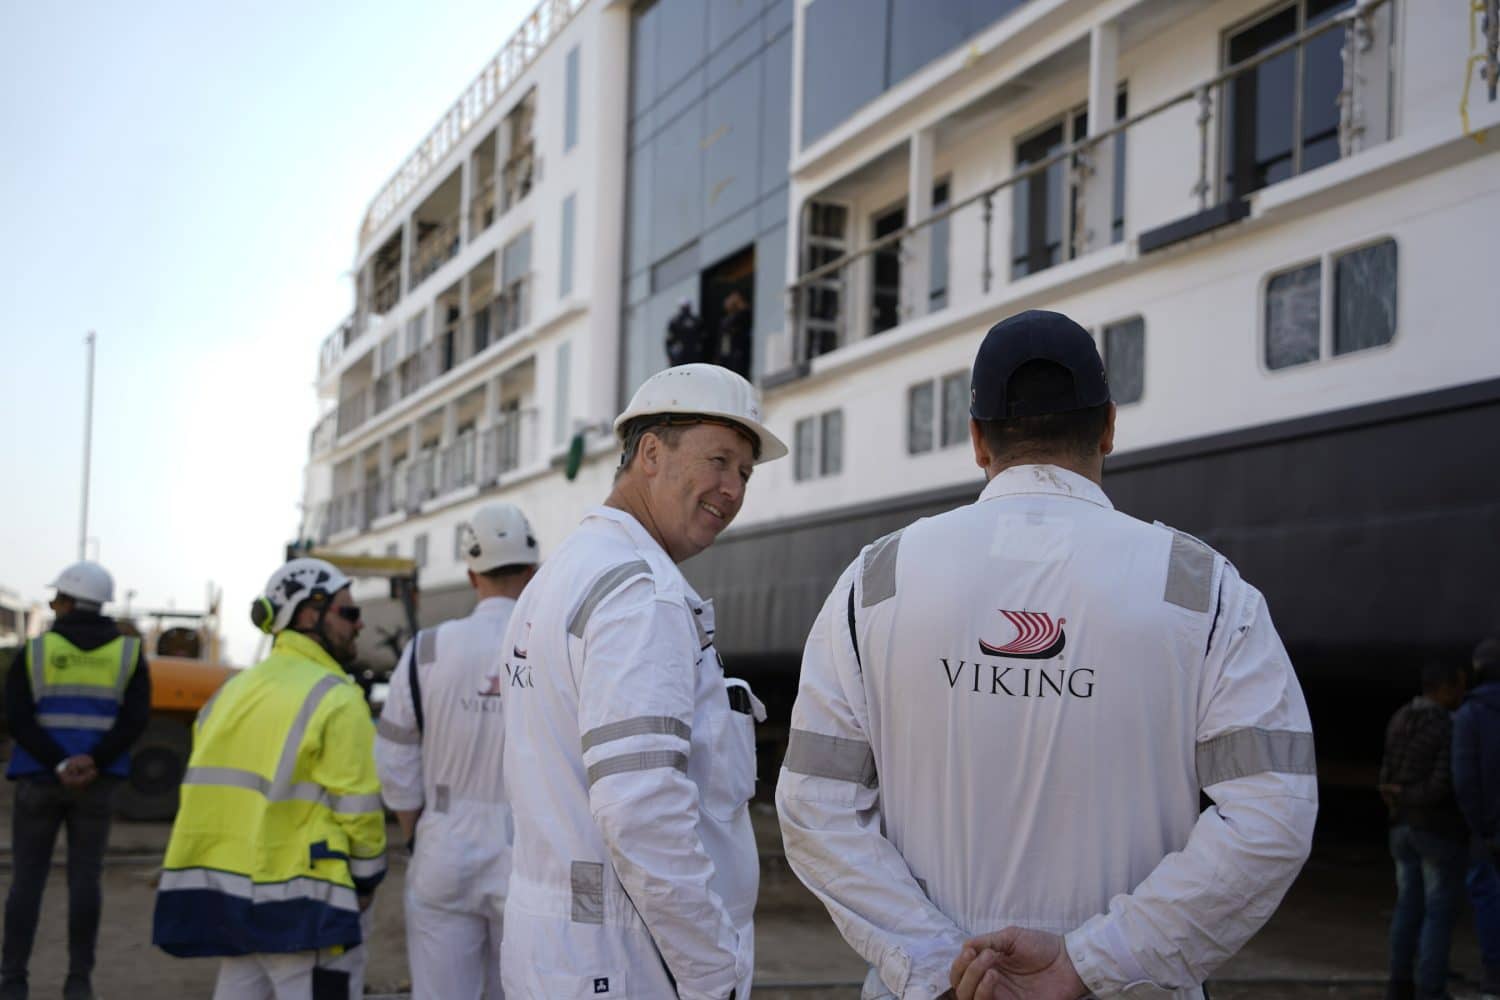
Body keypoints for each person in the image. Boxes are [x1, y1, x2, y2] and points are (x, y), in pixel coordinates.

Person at [776, 309, 1319, 1000]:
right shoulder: (1200, 588)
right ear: (1110, 427)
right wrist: (1091, 963)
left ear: (977, 440)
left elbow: (813, 805)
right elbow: (1274, 816)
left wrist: (941, 965)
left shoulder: (876, 581)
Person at [498, 363, 786, 998]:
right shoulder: (641, 595)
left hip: (560, 945)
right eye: (719, 460)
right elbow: (641, 810)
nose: (733, 489)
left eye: (744, 472)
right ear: (651, 452)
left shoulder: (560, 576)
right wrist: (713, 974)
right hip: (629, 960)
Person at [152, 558, 387, 999]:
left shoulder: (230, 692)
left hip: (234, 902)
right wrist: (368, 879)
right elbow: (359, 810)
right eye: (348, 612)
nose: (359, 625)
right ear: (306, 615)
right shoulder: (336, 696)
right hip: (311, 909)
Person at [375, 502, 540, 999]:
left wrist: (419, 833)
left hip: (444, 844)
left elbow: (395, 762)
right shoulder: (556, 646)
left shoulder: (426, 649)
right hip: (529, 852)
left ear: (472, 575)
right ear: (532, 572)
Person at [2, 561, 150, 1000]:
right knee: (85, 881)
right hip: (97, 784)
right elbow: (135, 720)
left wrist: (59, 763)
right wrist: (93, 762)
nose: (52, 605)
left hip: (38, 779)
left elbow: (18, 718)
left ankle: (12, 983)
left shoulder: (35, 651)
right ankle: (78, 983)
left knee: (26, 881)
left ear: (67, 602)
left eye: (55, 599)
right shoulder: (129, 654)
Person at [1378, 660, 1470, 1000]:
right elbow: (1443, 784)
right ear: (1444, 687)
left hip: (1400, 827)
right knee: (1437, 914)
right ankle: (1431, 989)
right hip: (1435, 830)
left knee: (1407, 907)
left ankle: (1398, 984)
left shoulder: (1401, 717)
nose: (1463, 693)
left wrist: (1399, 797)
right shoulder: (1447, 724)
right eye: (1459, 685)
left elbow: (1386, 776)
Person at [1454, 638, 1500, 999]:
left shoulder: (1470, 715)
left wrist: (1480, 827)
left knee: (1487, 900)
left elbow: (1466, 779)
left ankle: (1493, 978)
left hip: (1487, 830)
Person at [716, 291, 752, 378]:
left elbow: (746, 312)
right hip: (727, 353)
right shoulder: (725, 321)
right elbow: (722, 340)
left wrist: (739, 301)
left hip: (738, 351)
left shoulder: (742, 316)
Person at [666, 299, 705, 366]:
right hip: (684, 354)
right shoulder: (676, 321)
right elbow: (669, 340)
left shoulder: (696, 320)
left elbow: (702, 337)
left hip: (688, 354)